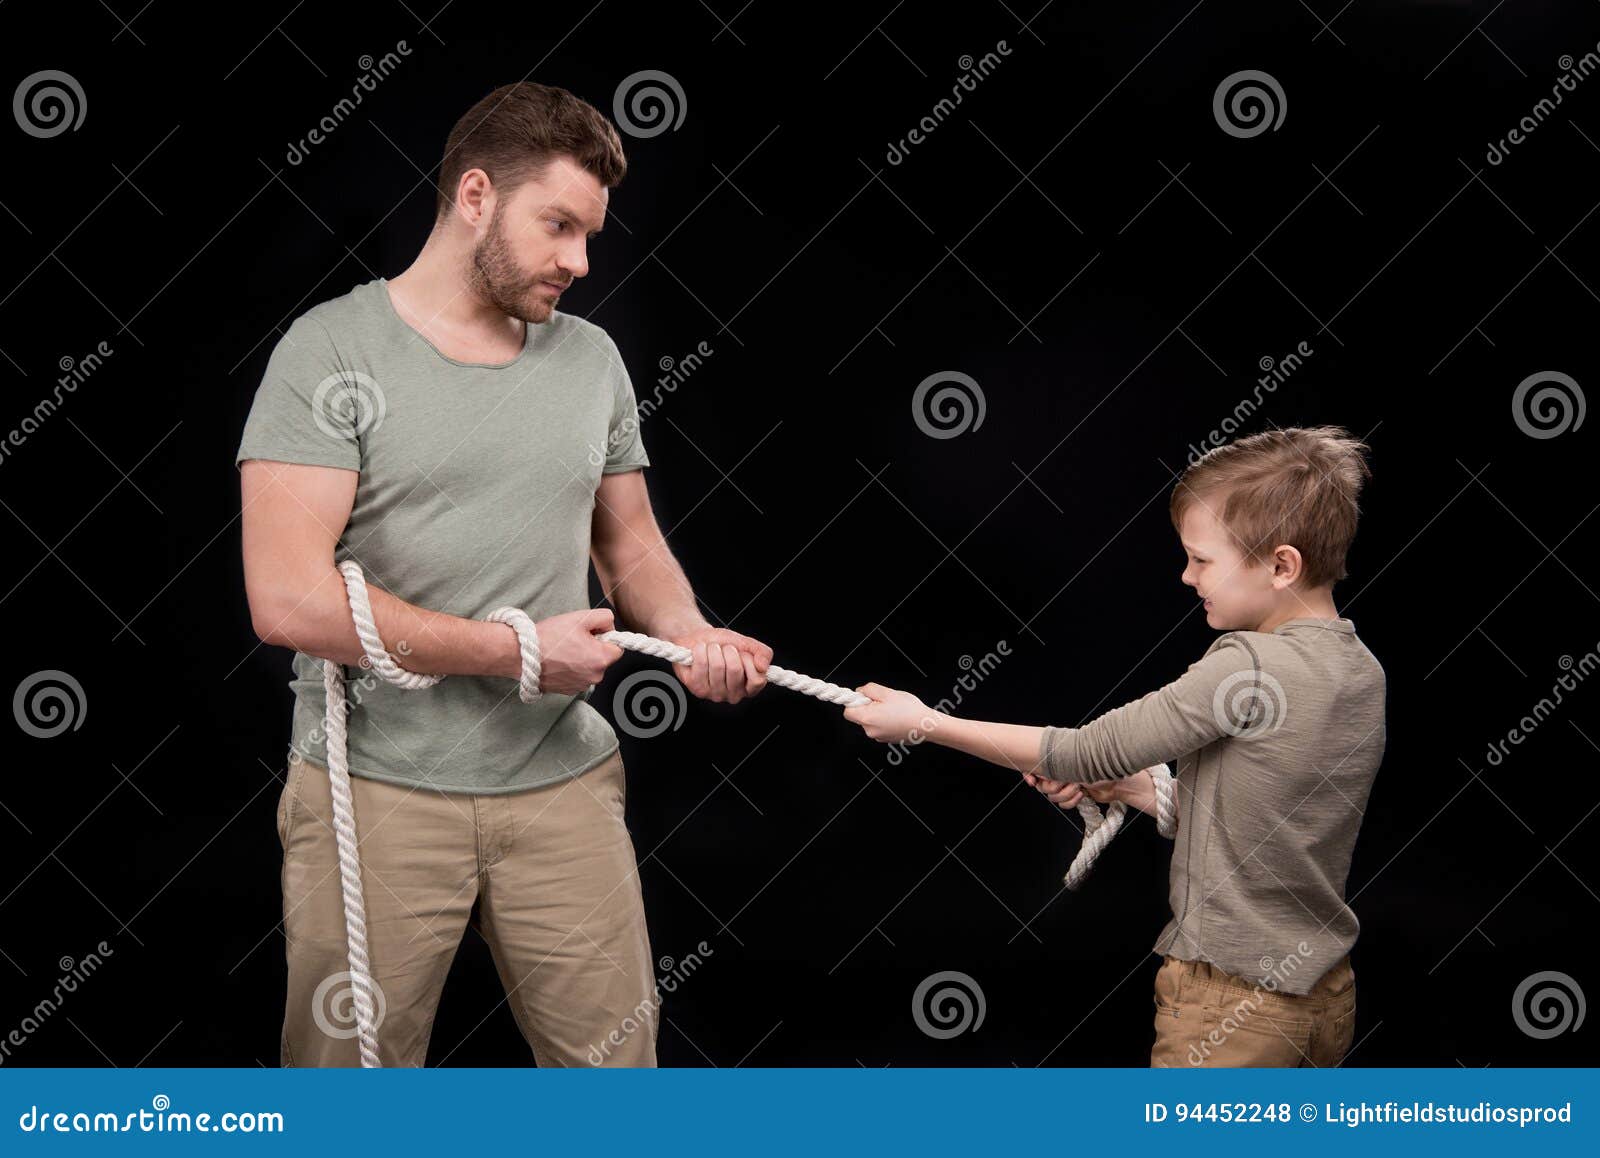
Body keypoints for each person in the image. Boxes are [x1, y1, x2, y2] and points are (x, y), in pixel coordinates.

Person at [237, 81, 772, 1067]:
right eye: (558, 226)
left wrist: (694, 634)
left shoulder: (592, 361)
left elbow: (632, 548)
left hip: (561, 789)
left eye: (590, 234)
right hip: (375, 792)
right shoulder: (329, 355)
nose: (579, 260)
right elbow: (288, 599)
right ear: (475, 197)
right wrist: (516, 651)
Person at [844, 426, 1385, 1067]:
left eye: (1202, 559)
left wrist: (925, 723)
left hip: (1233, 1006)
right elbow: (1268, 824)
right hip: (1324, 996)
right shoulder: (1360, 671)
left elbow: (1082, 751)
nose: (1186, 576)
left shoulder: (1249, 667)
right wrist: (1134, 787)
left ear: (1280, 565)